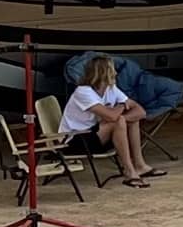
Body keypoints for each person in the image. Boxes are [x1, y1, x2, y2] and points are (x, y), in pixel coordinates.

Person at [66, 53, 158, 184]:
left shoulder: (111, 89)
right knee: (118, 120)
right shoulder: (83, 92)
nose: (115, 73)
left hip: (96, 134)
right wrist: (122, 106)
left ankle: (139, 165)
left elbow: (140, 111)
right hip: (76, 139)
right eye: (112, 70)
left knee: (130, 120)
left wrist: (121, 119)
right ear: (103, 73)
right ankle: (129, 171)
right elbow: (111, 116)